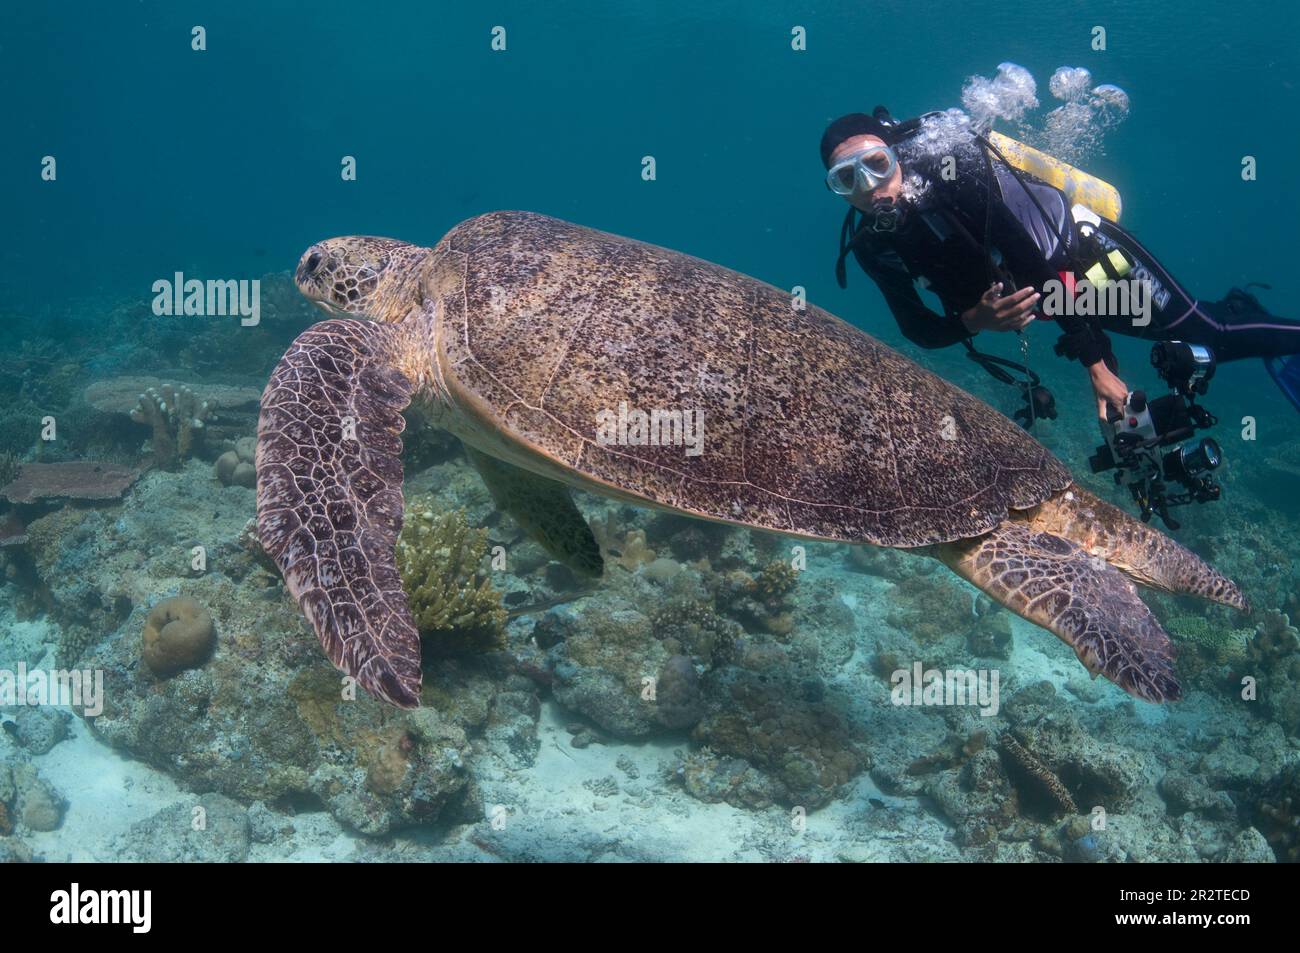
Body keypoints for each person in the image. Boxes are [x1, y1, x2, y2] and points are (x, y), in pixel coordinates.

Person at [821, 108, 1300, 418]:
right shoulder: (872, 246)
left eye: (877, 164)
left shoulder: (952, 169)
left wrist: (1093, 361)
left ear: (896, 155)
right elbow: (917, 328)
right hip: (1057, 297)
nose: (869, 187)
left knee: (1204, 336)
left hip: (1091, 261)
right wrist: (973, 320)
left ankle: (1247, 324)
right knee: (1177, 339)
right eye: (847, 179)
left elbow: (1023, 253)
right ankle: (1239, 308)